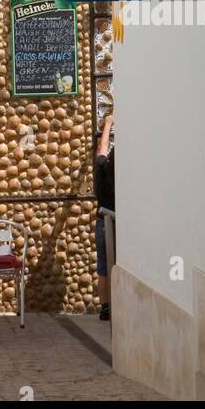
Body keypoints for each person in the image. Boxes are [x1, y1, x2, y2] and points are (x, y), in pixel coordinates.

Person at [95, 113, 115, 321]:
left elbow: (102, 148)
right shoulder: (122, 180)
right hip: (119, 222)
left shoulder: (101, 169)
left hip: (102, 221)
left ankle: (105, 307)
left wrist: (107, 124)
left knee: (103, 266)